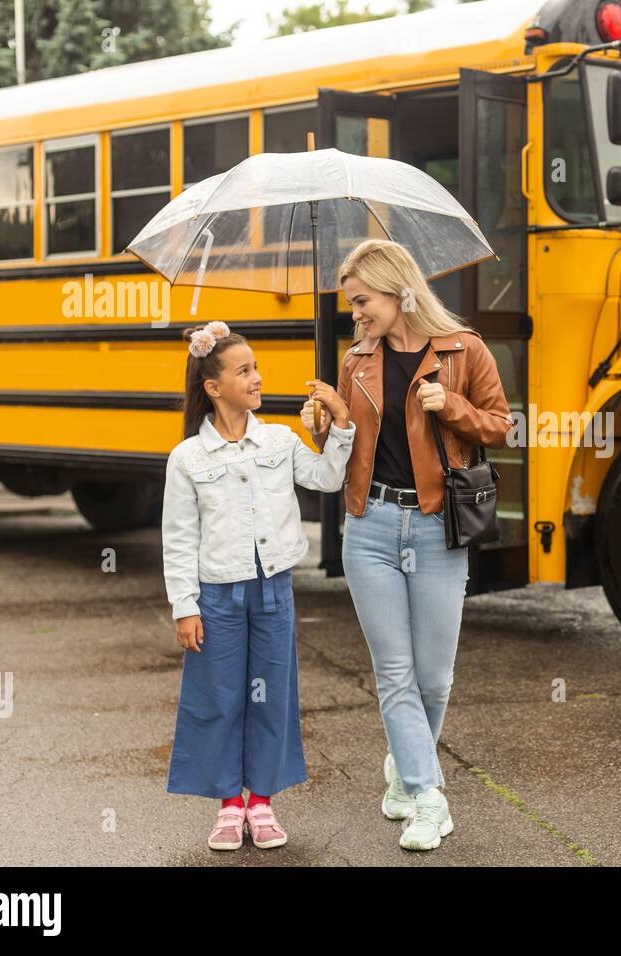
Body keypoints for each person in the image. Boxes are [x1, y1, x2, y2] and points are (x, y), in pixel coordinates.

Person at [309, 239, 512, 851]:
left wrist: (447, 404)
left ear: (398, 290)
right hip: (369, 526)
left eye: (363, 301)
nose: (357, 315)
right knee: (394, 673)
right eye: (351, 305)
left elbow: (502, 425)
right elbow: (343, 444)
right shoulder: (356, 360)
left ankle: (404, 768)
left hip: (435, 527)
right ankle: (429, 798)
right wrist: (328, 421)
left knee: (434, 677)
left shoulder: (464, 350)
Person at [161, 319, 354, 851]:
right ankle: (228, 805)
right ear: (213, 387)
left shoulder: (278, 440)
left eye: (257, 368)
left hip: (274, 590)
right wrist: (185, 606)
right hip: (216, 595)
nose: (258, 378)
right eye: (244, 371)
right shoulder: (189, 459)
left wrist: (338, 426)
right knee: (219, 696)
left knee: (272, 695)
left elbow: (327, 479)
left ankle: (262, 800)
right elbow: (178, 539)